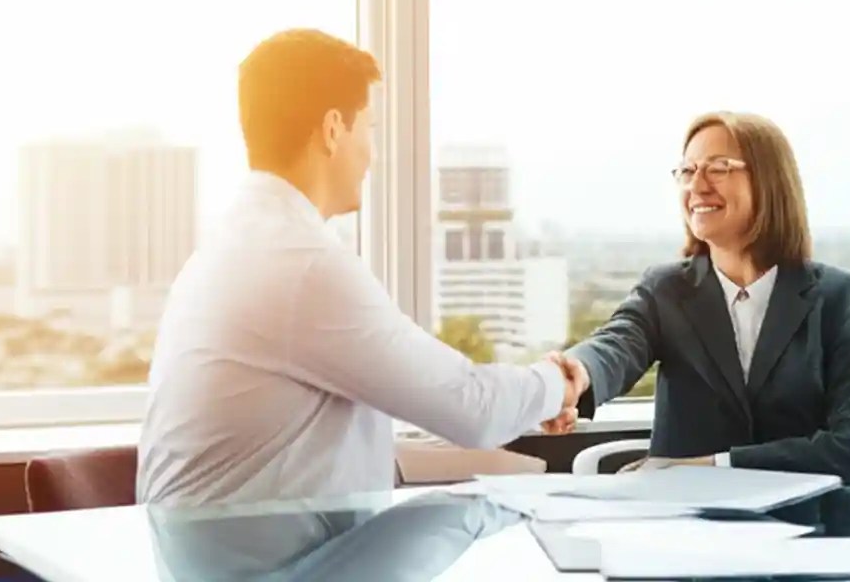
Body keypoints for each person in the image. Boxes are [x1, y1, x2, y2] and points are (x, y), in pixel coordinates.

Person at [137, 29, 578, 505]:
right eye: (369, 128)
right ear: (332, 130)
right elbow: (470, 406)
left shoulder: (232, 246)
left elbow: (367, 427)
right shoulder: (300, 263)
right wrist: (557, 382)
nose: (371, 152)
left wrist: (528, 407)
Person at [548, 111, 850, 487]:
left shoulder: (840, 299)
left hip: (812, 526)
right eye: (688, 170)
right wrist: (576, 375)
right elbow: (616, 345)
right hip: (693, 530)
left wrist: (715, 466)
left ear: (769, 181)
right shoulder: (666, 290)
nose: (697, 185)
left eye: (718, 168)